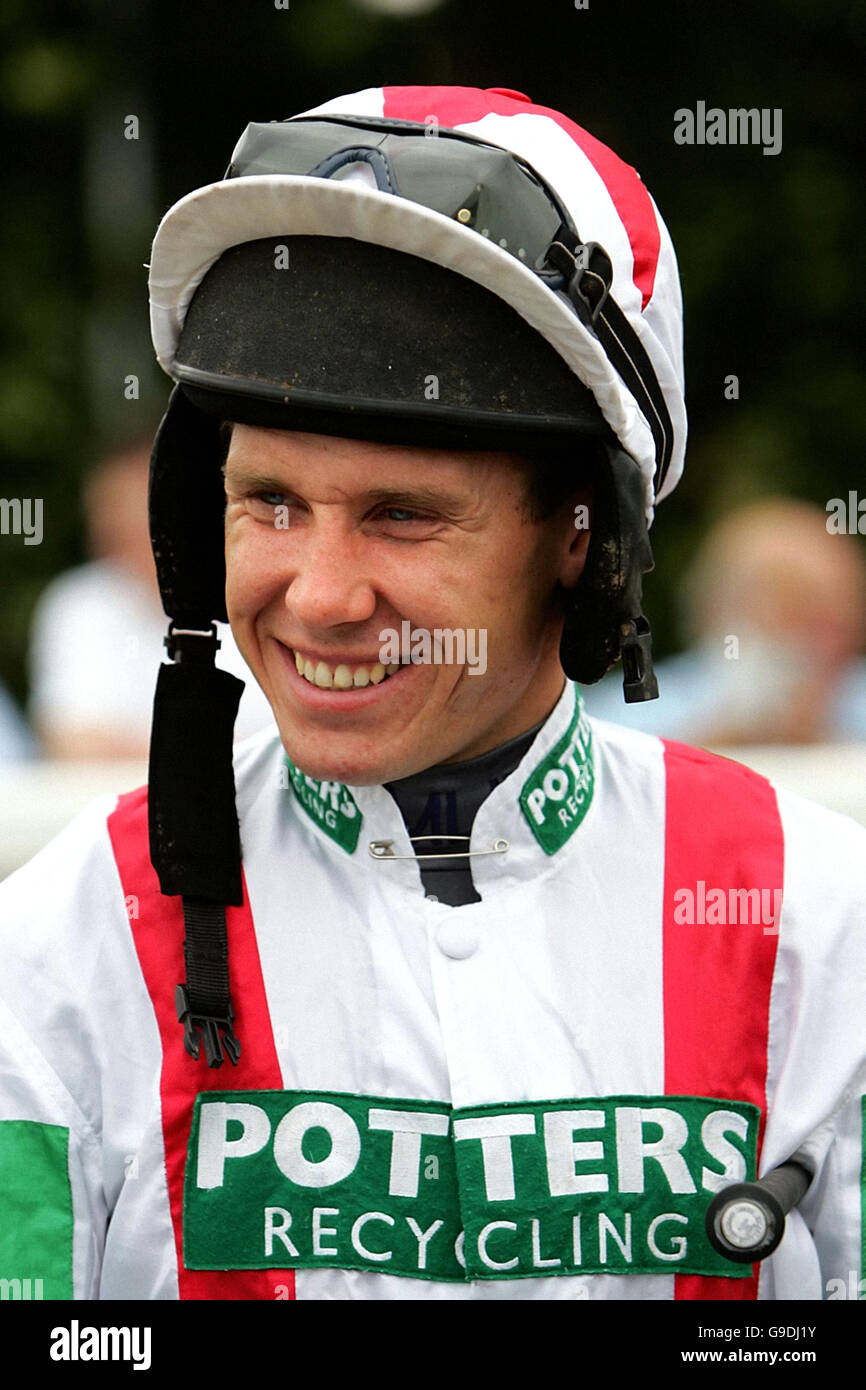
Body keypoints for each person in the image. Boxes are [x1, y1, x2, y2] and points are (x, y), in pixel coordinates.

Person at [0, 85, 864, 1302]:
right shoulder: (52, 944)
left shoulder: (826, 927)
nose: (320, 595)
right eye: (271, 503)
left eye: (402, 517)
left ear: (582, 539)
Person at [28, 439, 274, 759]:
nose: (110, 539)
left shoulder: (256, 594)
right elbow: (76, 743)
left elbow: (288, 742)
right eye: (108, 523)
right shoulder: (81, 602)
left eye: (132, 523)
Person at [583, 496, 866, 745]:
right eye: (801, 612)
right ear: (725, 610)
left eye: (841, 611)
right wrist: (736, 733)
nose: (833, 638)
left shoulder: (854, 703)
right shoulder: (628, 716)